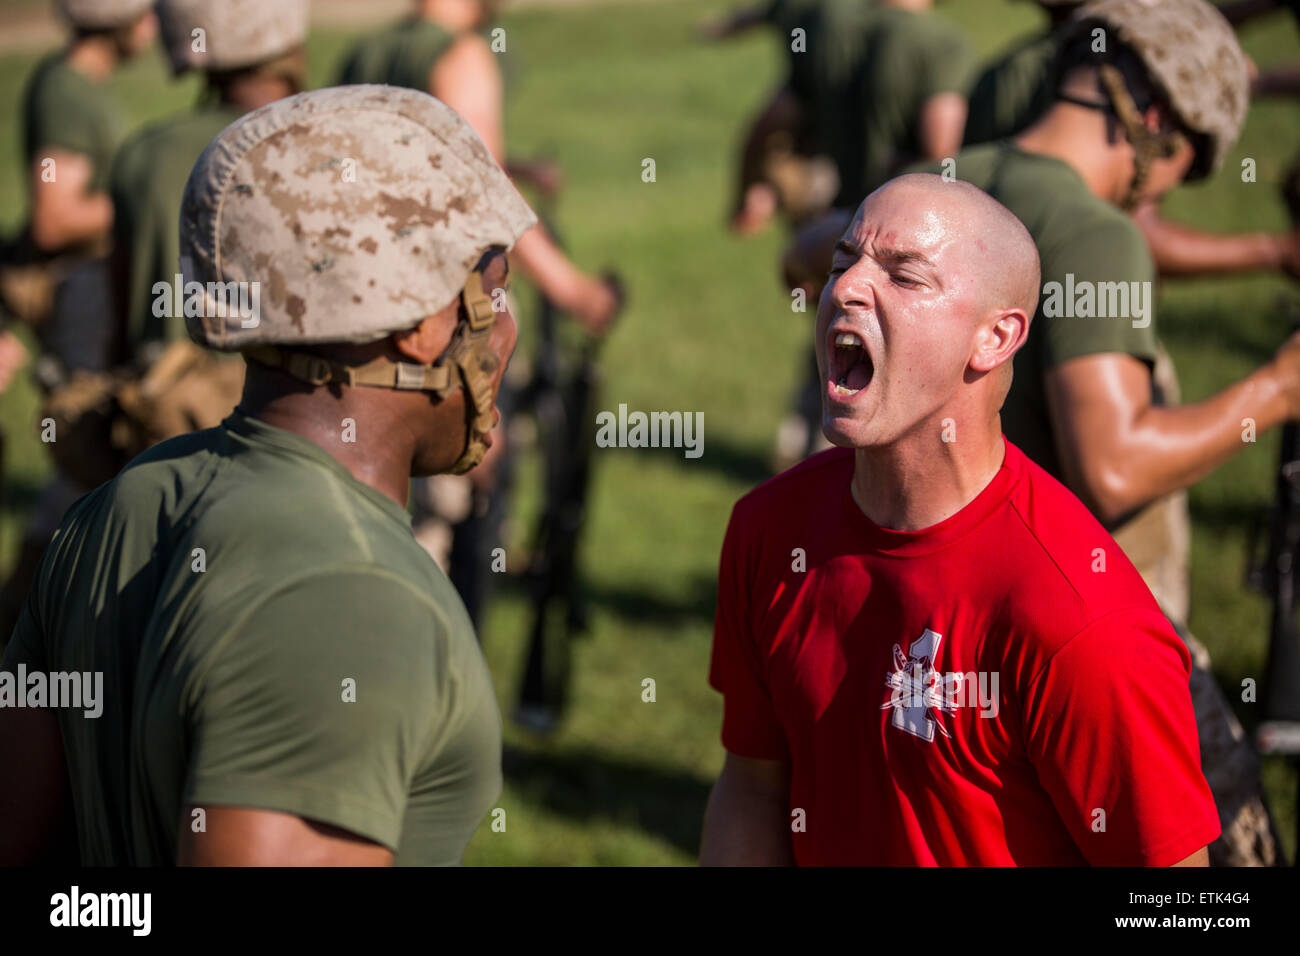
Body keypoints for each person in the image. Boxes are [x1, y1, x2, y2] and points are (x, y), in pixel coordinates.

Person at [0, 84, 536, 866]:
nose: (507, 324)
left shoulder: (116, 508)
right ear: (424, 324)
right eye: (493, 285)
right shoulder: (359, 599)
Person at [701, 173, 1218, 866]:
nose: (847, 289)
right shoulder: (769, 531)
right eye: (842, 262)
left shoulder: (1081, 620)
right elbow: (754, 784)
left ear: (995, 337)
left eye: (905, 276)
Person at [902, 0, 1292, 865]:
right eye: (1185, 168)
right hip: (1094, 651)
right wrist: (1277, 387)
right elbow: (1112, 466)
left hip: (941, 639)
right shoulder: (1091, 229)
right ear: (1155, 118)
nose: (1160, 195)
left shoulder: (942, 184)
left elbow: (812, 245)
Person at [338, 0, 621, 627]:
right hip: (443, 312)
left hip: (359, 308)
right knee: (444, 505)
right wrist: (574, 290)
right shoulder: (460, 55)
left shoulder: (371, 52)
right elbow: (484, 190)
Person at [0, 0, 158, 645]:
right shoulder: (66, 89)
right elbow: (55, 216)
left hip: (88, 299)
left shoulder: (74, 84)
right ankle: (23, 644)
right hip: (78, 302)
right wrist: (141, 201)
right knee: (81, 471)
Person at [964, 0, 1300, 279]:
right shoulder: (1100, 236)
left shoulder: (1021, 66)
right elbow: (1141, 231)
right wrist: (1277, 251)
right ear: (1157, 117)